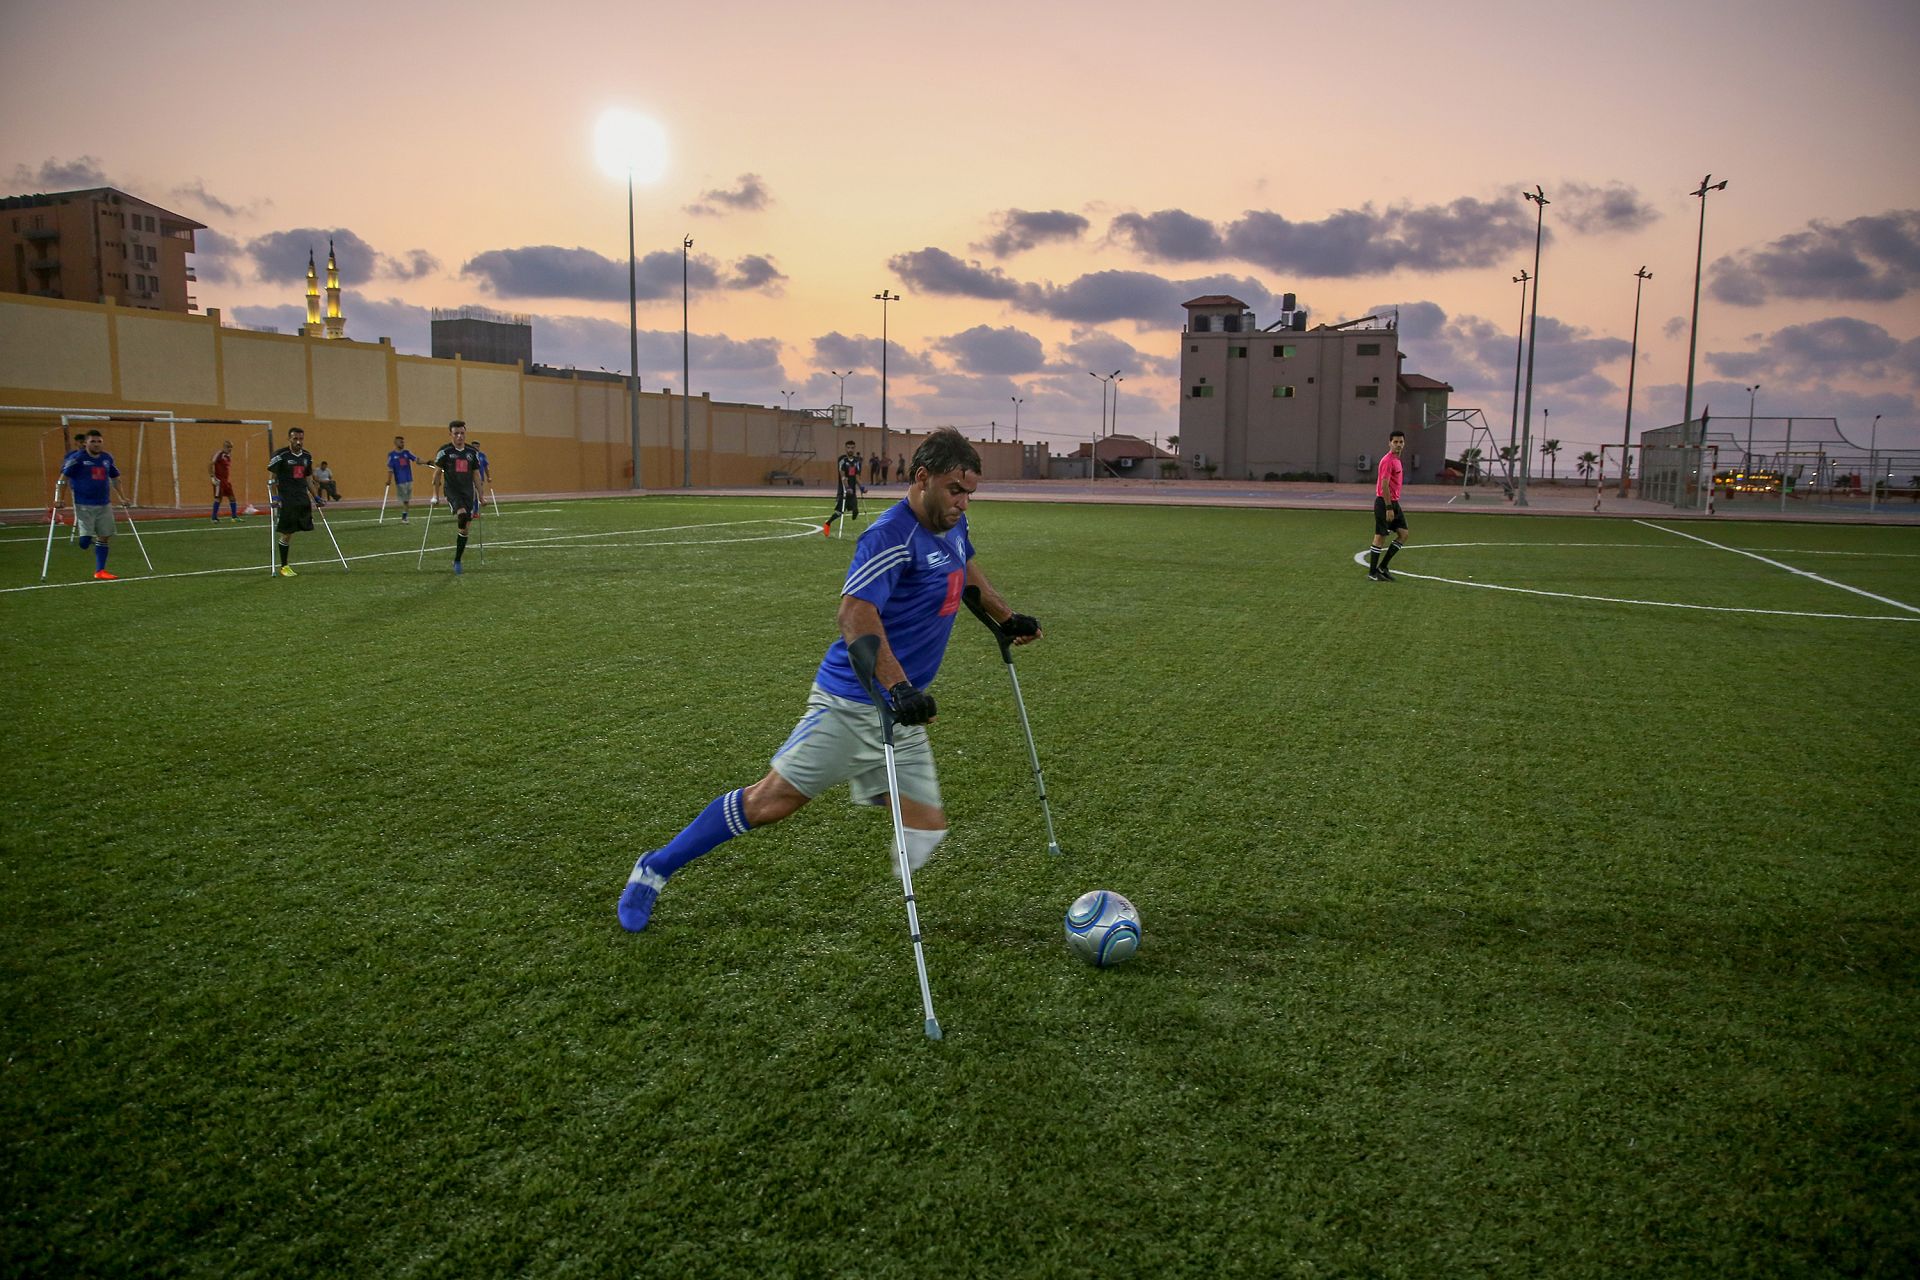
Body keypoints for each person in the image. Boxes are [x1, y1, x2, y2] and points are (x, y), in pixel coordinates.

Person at [618, 428, 1043, 932]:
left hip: (898, 709)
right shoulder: (890, 535)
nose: (964, 503)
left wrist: (1005, 616)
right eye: (956, 490)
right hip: (855, 702)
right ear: (923, 478)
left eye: (971, 493)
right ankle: (655, 867)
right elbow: (854, 615)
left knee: (925, 824)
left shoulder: (950, 526)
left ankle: (871, 789)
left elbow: (964, 569)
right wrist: (898, 687)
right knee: (770, 802)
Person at [62, 429, 131, 580]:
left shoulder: (107, 458)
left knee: (105, 536)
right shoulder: (77, 458)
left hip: (104, 504)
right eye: (93, 441)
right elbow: (64, 477)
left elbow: (115, 477)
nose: (96, 444)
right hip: (84, 504)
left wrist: (122, 497)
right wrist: (59, 498)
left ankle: (100, 570)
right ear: (86, 443)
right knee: (85, 542)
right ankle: (86, 540)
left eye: (99, 441)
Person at [431, 419, 487, 574]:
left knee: (464, 530)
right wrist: (435, 495)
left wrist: (481, 497)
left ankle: (457, 559)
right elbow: (436, 474)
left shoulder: (472, 453)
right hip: (452, 491)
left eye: (462, 433)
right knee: (462, 516)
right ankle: (457, 561)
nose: (460, 436)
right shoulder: (445, 452)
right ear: (451, 434)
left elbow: (476, 475)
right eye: (456, 434)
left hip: (468, 493)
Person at [267, 427, 319, 577]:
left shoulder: (307, 456)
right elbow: (272, 479)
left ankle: (285, 565)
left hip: (302, 498)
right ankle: (284, 566)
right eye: (295, 439)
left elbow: (308, 479)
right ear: (289, 439)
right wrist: (275, 498)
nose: (298, 442)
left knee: (299, 528)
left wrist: (316, 497)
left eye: (300, 439)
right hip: (287, 498)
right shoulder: (281, 455)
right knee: (287, 532)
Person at [1367, 428, 1410, 581]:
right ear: (1390, 443)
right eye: (1395, 442)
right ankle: (1372, 573)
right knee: (1380, 536)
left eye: (1401, 442)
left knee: (1403, 534)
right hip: (1384, 502)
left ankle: (1383, 567)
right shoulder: (1387, 460)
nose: (1398, 445)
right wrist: (1388, 507)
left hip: (1394, 502)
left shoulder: (1397, 460)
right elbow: (1384, 485)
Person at [822, 440, 865, 536]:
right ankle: (827, 523)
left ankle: (853, 513)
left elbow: (857, 477)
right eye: (848, 447)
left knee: (856, 511)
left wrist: (862, 487)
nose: (850, 449)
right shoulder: (842, 461)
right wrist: (847, 487)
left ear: (854, 449)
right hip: (844, 491)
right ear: (846, 448)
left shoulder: (857, 462)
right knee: (839, 513)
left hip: (852, 491)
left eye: (852, 448)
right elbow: (843, 476)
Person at [387, 435, 425, 522]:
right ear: (396, 443)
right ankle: (404, 517)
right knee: (404, 500)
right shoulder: (392, 455)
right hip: (400, 481)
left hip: (409, 480)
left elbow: (416, 460)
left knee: (406, 500)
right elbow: (390, 469)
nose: (403, 443)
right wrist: (389, 480)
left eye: (403, 442)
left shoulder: (407, 453)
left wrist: (426, 462)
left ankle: (404, 516)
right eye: (401, 442)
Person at [209, 440, 240, 522]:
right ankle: (214, 518)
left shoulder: (228, 456)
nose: (230, 449)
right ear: (224, 447)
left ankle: (234, 516)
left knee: (232, 498)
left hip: (226, 481)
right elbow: (211, 463)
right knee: (218, 498)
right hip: (219, 480)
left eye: (231, 447)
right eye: (228, 447)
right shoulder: (219, 454)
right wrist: (212, 477)